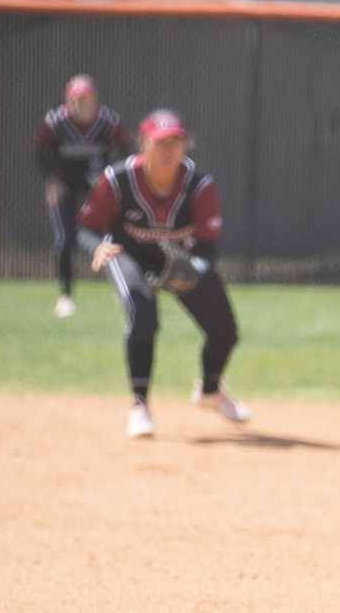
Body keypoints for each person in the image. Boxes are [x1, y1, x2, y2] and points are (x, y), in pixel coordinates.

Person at [80, 110, 250, 439]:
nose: (169, 150)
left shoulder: (199, 185)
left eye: (177, 141)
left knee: (226, 332)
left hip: (178, 259)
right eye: (161, 143)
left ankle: (211, 392)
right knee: (143, 312)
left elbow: (207, 246)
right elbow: (86, 228)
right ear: (144, 144)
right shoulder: (118, 179)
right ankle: (140, 404)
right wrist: (94, 248)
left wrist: (193, 272)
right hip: (125, 254)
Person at [35, 75, 129, 318]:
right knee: (65, 238)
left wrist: (111, 179)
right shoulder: (56, 122)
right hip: (65, 185)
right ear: (70, 102)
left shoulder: (107, 122)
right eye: (80, 101)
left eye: (90, 100)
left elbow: (124, 148)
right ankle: (65, 296)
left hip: (96, 186)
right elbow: (40, 149)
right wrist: (51, 180)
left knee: (112, 238)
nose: (86, 106)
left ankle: (123, 290)